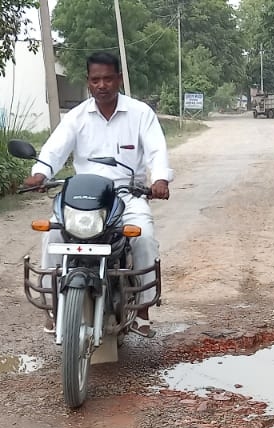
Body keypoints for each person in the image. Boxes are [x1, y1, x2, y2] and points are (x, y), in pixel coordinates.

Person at [23, 51, 172, 336]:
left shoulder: (140, 114)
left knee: (142, 236)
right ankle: (53, 307)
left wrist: (160, 179)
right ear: (88, 82)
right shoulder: (76, 117)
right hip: (83, 198)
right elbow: (55, 149)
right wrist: (41, 173)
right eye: (95, 80)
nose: (102, 85)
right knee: (53, 235)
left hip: (126, 195)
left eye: (107, 79)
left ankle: (142, 310)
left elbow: (156, 150)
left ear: (119, 79)